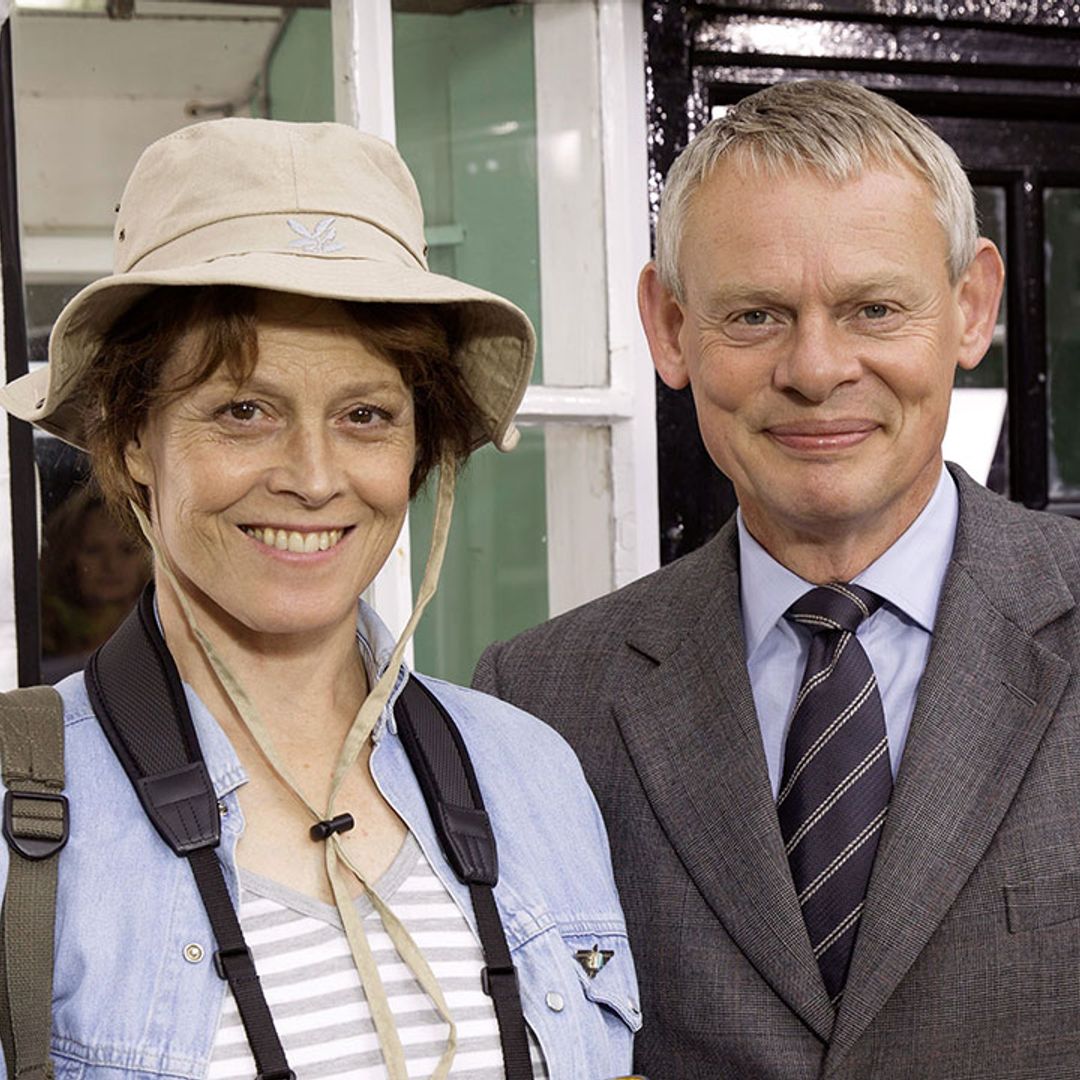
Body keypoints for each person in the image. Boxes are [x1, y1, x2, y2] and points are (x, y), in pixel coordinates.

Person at [0, 119, 641, 1080]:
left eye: (366, 416)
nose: (312, 477)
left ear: (419, 451)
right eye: (243, 411)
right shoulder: (23, 816)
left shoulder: (530, 776)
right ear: (133, 441)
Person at [474, 79, 1080, 1079]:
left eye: (874, 308)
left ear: (970, 308)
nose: (815, 366)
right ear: (671, 328)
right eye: (755, 315)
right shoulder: (539, 703)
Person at [39, 486, 150, 680]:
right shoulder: (34, 636)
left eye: (126, 550)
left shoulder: (165, 633)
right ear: (68, 556)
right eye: (93, 550)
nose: (111, 565)